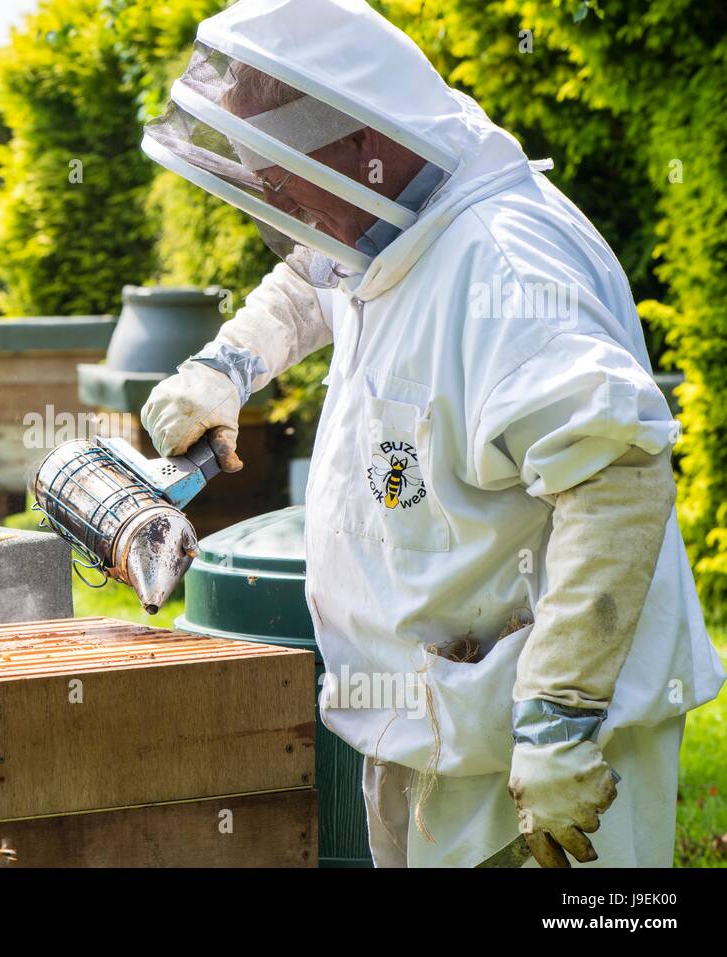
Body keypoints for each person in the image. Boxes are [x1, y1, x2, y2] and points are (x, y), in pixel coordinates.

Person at [140, 0, 725, 867]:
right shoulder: (380, 212)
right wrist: (225, 367)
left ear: (351, 144)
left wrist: (560, 720)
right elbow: (314, 274)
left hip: (544, 749)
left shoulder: (504, 271)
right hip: (440, 724)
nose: (276, 200)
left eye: (280, 176)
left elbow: (619, 477)